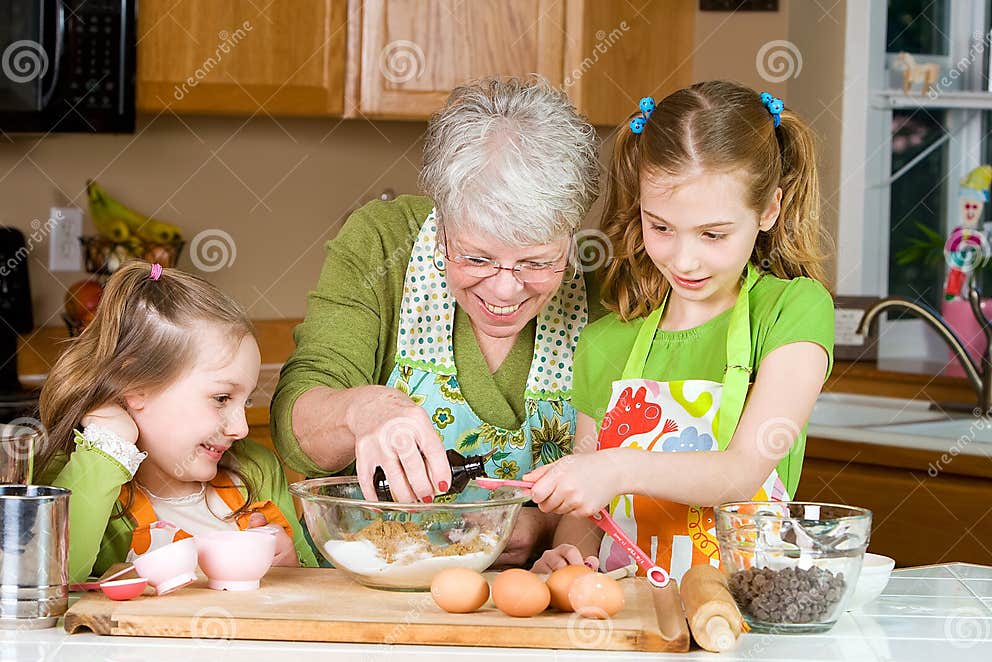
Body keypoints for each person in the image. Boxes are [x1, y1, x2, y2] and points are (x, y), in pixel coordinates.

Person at [271, 76, 603, 567]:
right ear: (442, 221)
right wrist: (366, 411)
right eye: (476, 258)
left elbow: (622, 478)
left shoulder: (604, 284)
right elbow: (293, 427)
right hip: (366, 585)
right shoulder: (384, 243)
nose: (504, 290)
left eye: (535, 263)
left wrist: (541, 527)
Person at [526, 82, 835, 582]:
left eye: (713, 234)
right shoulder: (607, 342)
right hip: (626, 617)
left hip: (740, 611)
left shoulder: (792, 312)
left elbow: (741, 473)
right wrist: (568, 553)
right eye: (661, 227)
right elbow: (587, 516)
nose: (684, 259)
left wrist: (616, 467)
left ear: (769, 210)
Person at [37, 261, 318, 583]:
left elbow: (317, 593)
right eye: (222, 398)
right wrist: (107, 448)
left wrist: (293, 569)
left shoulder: (257, 470)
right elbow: (51, 582)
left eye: (247, 400)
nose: (240, 428)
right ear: (135, 385)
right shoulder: (75, 474)